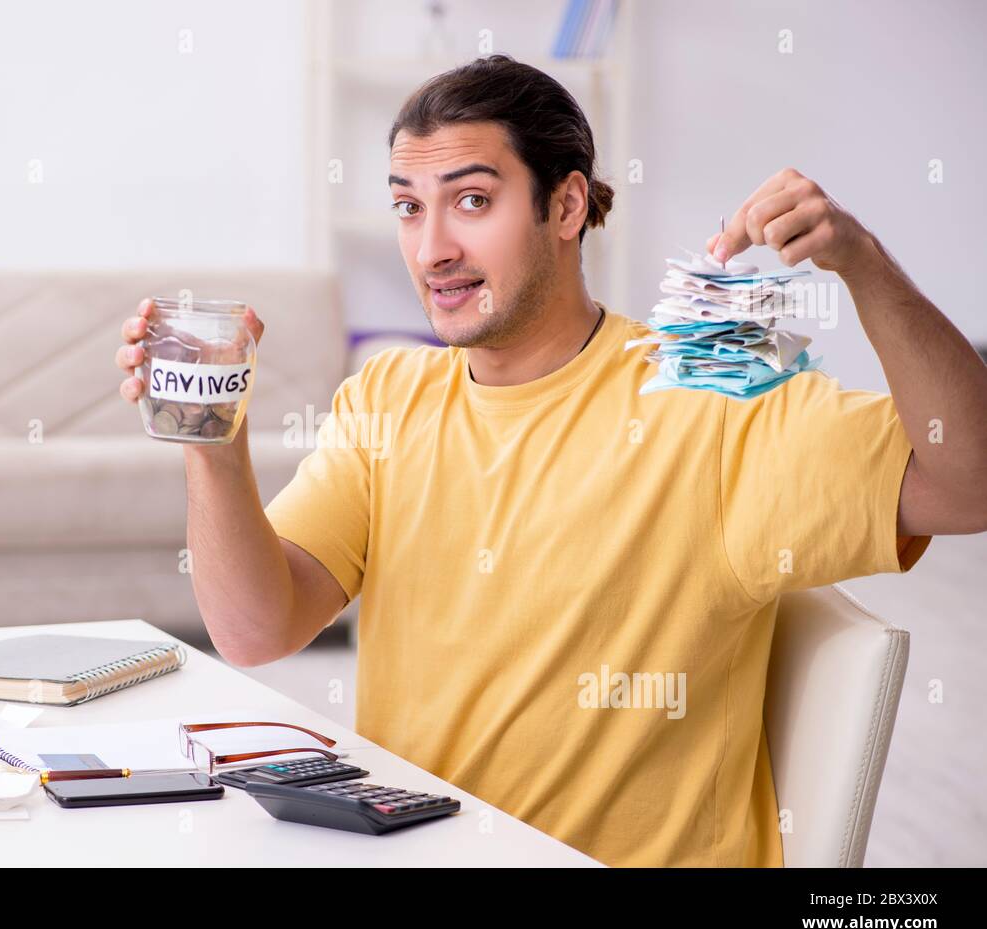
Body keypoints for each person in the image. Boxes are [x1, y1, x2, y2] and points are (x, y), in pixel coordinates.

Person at [114, 55, 987, 867]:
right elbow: (258, 629)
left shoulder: (711, 396)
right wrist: (212, 444)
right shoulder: (388, 395)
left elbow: (967, 480)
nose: (431, 250)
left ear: (566, 207)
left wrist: (862, 265)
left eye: (471, 201)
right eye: (409, 207)